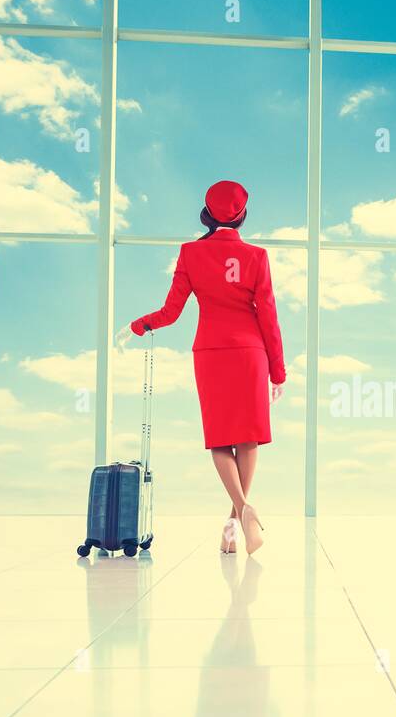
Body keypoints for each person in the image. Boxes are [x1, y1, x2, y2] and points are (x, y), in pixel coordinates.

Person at [116, 180, 285, 555]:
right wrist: (278, 371)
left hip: (211, 351)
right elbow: (269, 317)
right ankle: (236, 517)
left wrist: (138, 325)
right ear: (242, 217)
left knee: (221, 437)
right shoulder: (257, 257)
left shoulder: (190, 253)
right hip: (251, 351)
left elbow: (171, 312)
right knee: (249, 437)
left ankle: (238, 515)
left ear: (207, 214)